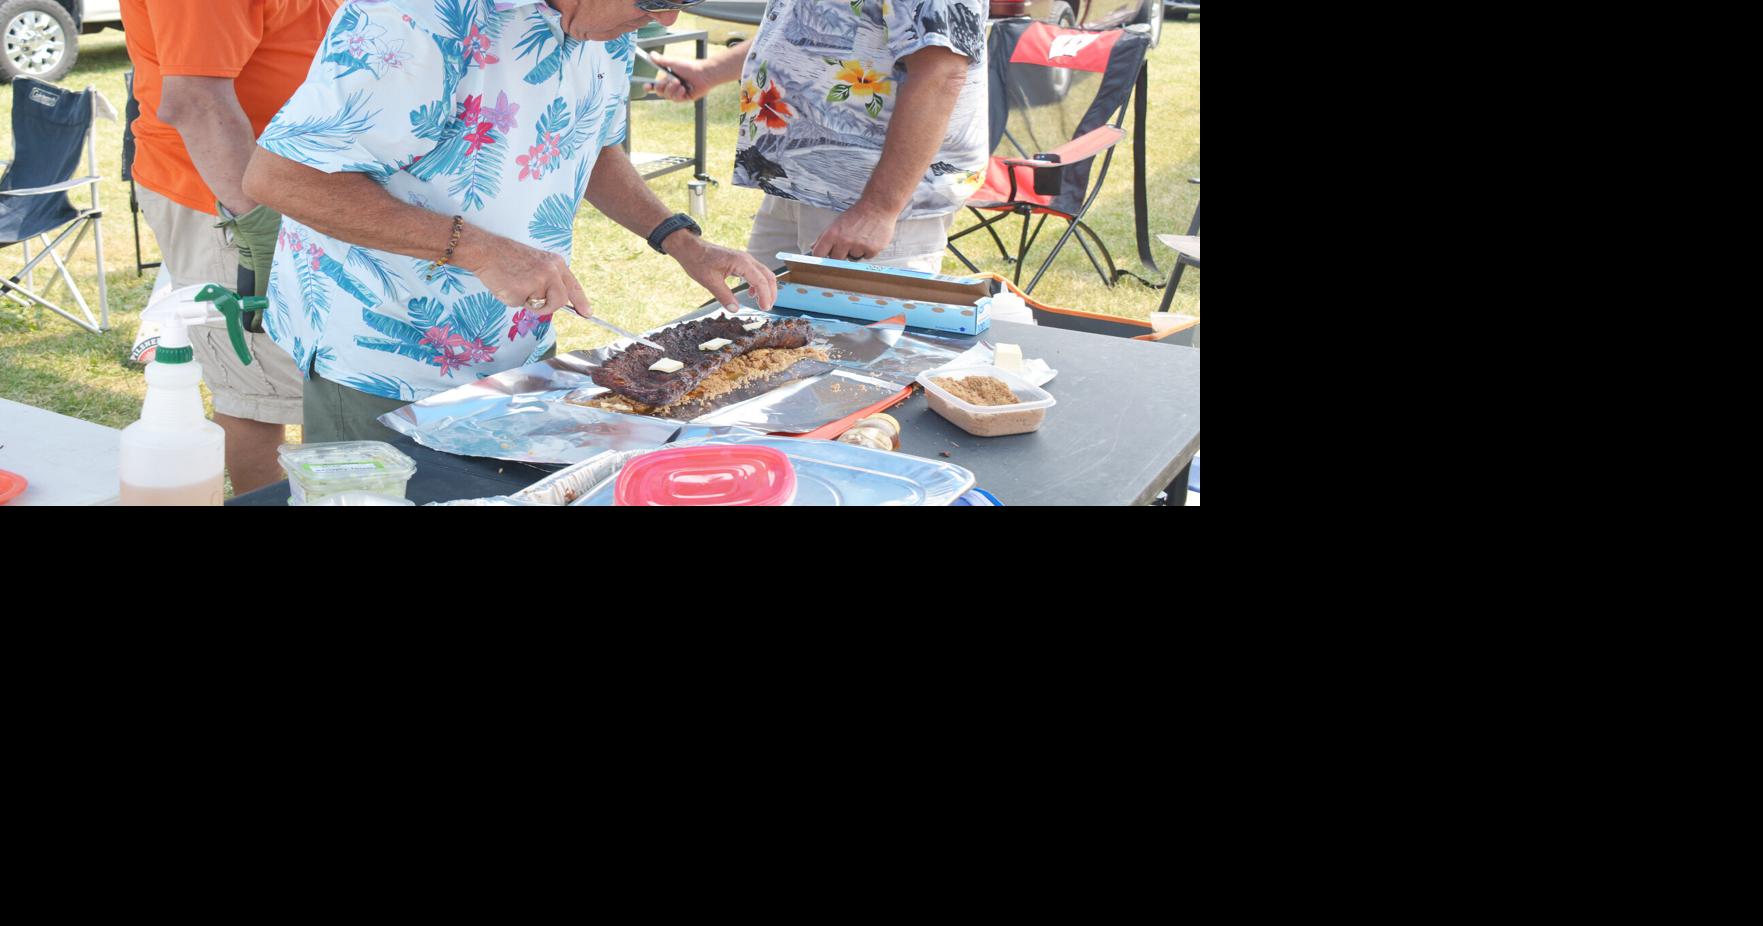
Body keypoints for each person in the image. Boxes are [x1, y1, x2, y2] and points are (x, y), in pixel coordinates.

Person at [241, 0, 777, 442]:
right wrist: (480, 250)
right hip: (385, 356)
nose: (667, 20)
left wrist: (680, 240)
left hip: (517, 343)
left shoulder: (605, 27)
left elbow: (590, 143)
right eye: (655, 0)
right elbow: (281, 178)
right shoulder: (414, 16)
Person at [121, 0, 339, 493]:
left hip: (301, 188)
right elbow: (195, 101)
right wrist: (255, 219)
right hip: (228, 194)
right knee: (258, 390)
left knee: (317, 383)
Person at [648, 0, 987, 272]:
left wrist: (879, 208)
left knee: (856, 337)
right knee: (763, 322)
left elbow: (941, 73)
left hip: (870, 202)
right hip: (798, 185)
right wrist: (711, 72)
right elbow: (808, 20)